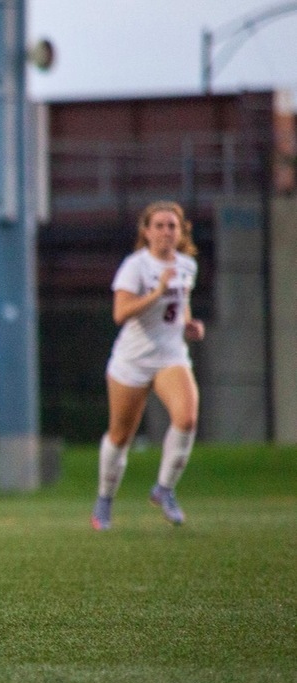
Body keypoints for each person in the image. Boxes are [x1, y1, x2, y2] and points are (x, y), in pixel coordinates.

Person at [91, 201, 204, 531]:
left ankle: (165, 488)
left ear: (181, 231)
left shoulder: (186, 265)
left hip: (171, 356)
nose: (167, 231)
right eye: (160, 225)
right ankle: (104, 499)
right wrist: (155, 292)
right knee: (120, 435)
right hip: (134, 360)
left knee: (187, 417)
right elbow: (120, 313)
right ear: (147, 231)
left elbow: (181, 305)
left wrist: (189, 325)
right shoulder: (135, 266)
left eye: (173, 225)